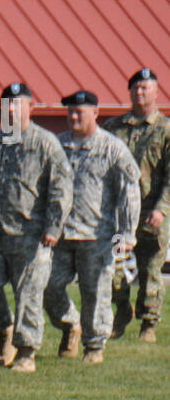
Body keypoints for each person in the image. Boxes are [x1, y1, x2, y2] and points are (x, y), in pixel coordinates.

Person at [0, 83, 73, 373]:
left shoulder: (45, 143)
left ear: (31, 108)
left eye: (17, 104)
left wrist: (54, 227)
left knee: (29, 294)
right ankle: (5, 330)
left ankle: (28, 351)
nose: (11, 110)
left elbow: (61, 188)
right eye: (6, 105)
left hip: (32, 234)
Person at [44, 91, 139, 364]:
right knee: (48, 287)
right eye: (70, 112)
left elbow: (129, 191)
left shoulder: (112, 148)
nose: (73, 117)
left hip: (97, 235)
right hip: (59, 234)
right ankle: (71, 325)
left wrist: (127, 233)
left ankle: (94, 346)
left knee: (96, 292)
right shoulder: (57, 145)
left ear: (95, 113)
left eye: (80, 112)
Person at [105, 67, 170, 342]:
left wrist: (162, 208)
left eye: (147, 87)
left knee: (150, 269)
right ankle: (121, 312)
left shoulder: (165, 129)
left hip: (151, 210)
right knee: (113, 267)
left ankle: (149, 323)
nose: (141, 92)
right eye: (137, 88)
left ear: (156, 91)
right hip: (119, 213)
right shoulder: (113, 128)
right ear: (130, 91)